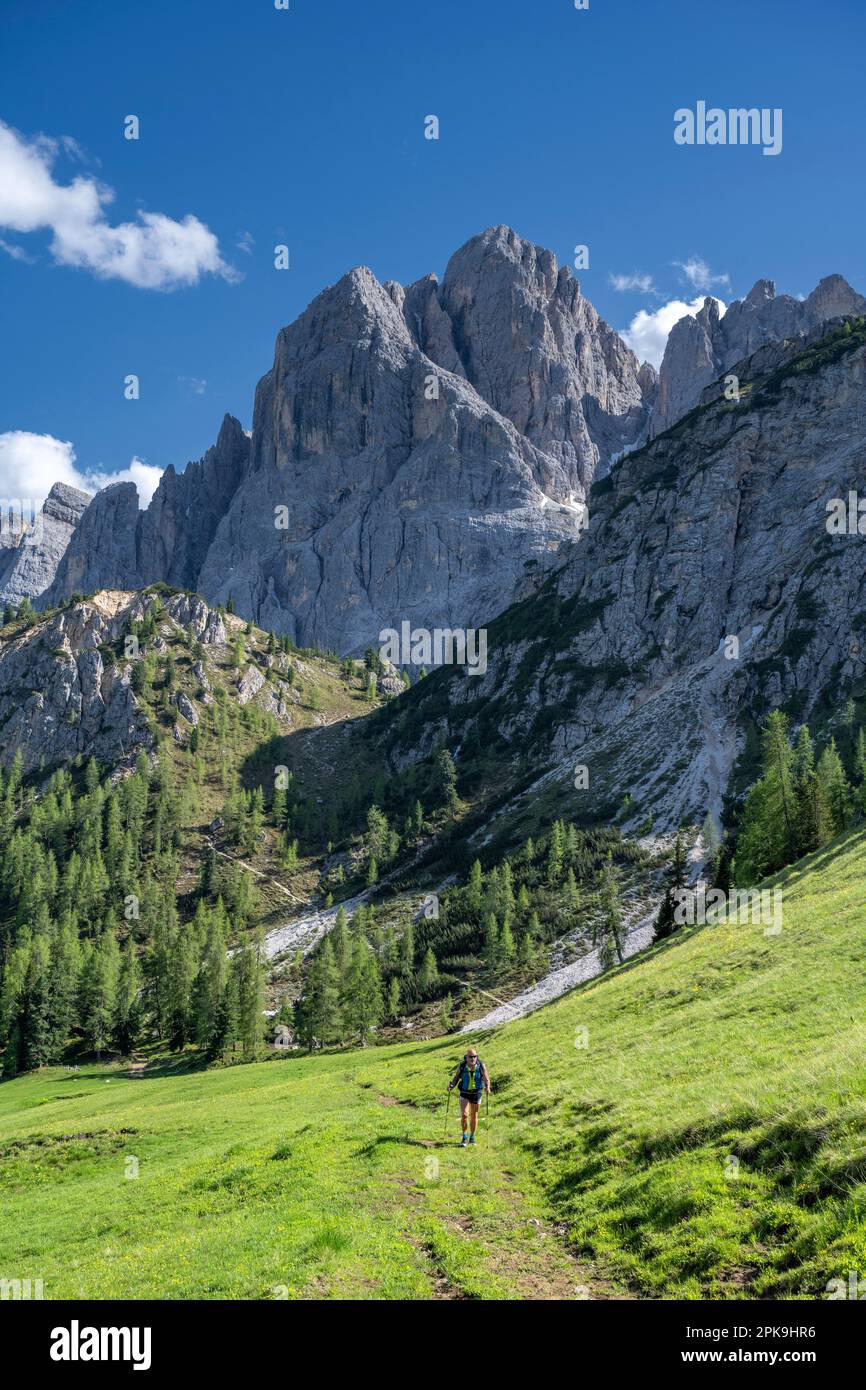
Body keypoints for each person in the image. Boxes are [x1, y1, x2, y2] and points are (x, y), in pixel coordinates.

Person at [448, 1046, 491, 1146]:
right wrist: (452, 1086)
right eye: (470, 1056)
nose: (473, 1058)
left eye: (474, 1056)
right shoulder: (462, 1066)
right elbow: (456, 1077)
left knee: (474, 1116)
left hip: (477, 1093)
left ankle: (472, 1138)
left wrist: (488, 1087)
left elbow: (486, 1078)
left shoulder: (481, 1066)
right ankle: (464, 1137)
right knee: (464, 1114)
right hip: (465, 1093)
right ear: (466, 1057)